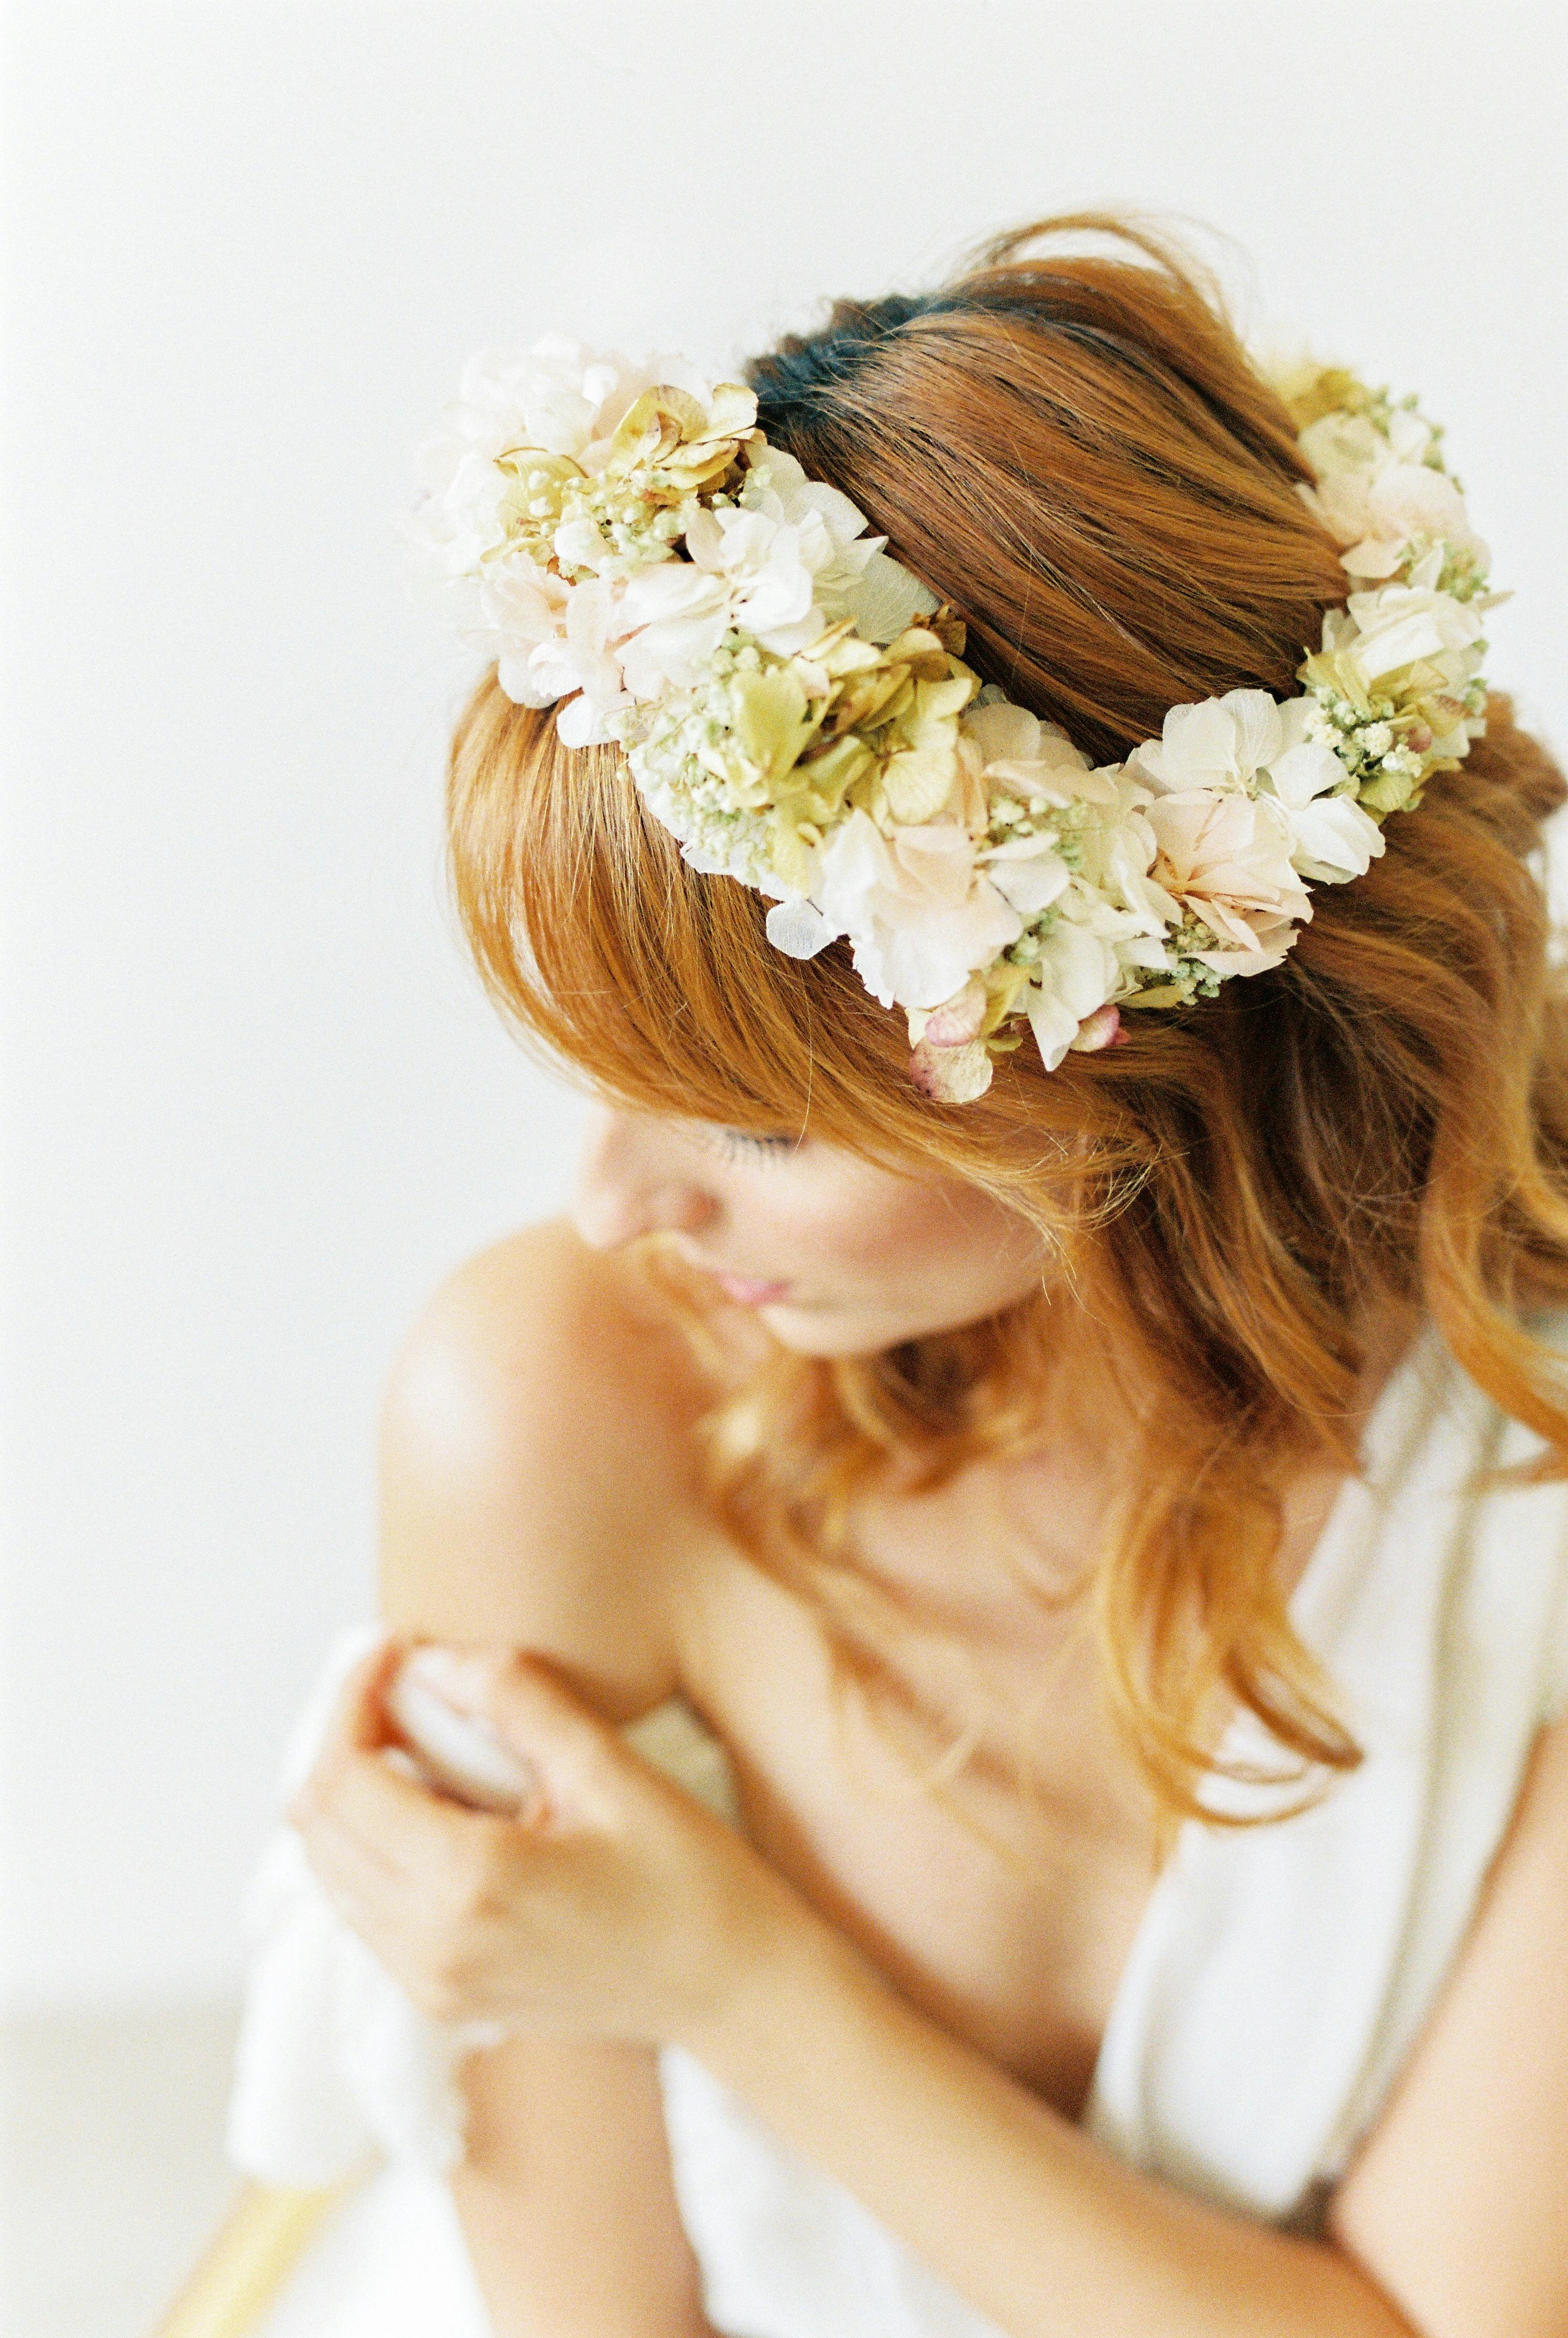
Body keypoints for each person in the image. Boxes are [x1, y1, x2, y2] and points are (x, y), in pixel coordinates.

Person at [230, 218, 1568, 2338]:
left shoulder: (1524, 1479)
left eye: (754, 1126)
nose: (614, 1208)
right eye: (611, 1077)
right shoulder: (553, 1410)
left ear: (1153, 1035)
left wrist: (732, 1981)